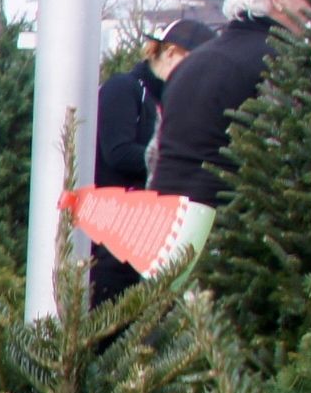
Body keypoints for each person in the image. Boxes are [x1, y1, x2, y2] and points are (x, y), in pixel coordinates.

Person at [150, 0, 311, 210]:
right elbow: (288, 146)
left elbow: (157, 150)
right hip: (228, 217)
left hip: (165, 213)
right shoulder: (277, 60)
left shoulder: (192, 62)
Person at [91, 18, 217, 305]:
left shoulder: (172, 100)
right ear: (170, 53)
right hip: (115, 227)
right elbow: (118, 152)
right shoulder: (124, 88)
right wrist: (177, 163)